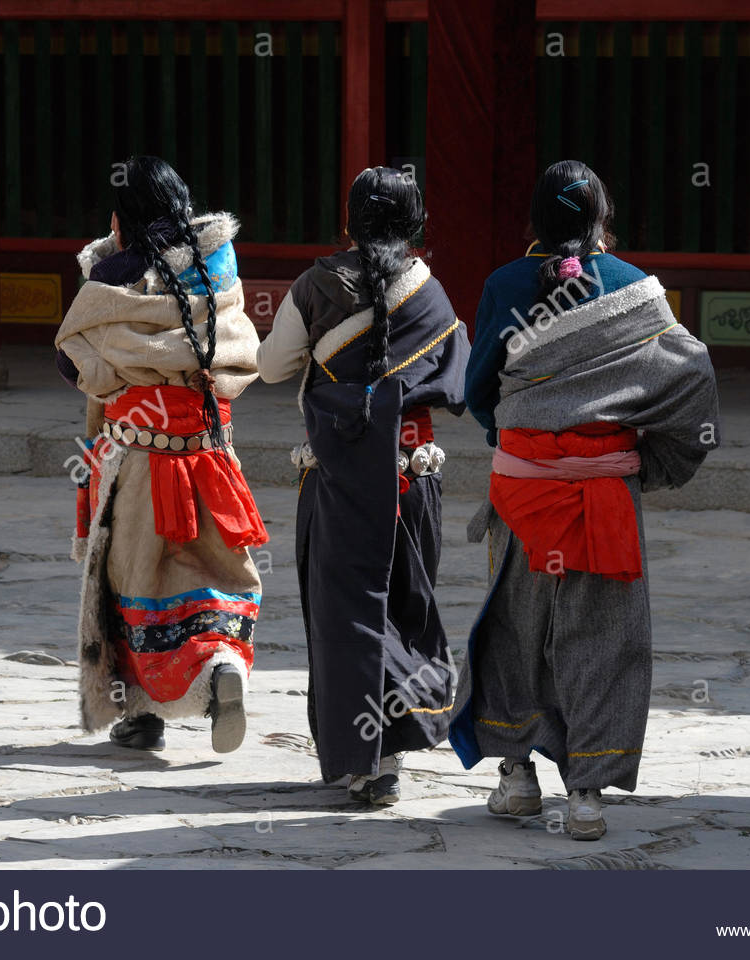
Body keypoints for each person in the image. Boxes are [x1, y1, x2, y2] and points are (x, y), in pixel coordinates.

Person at [449, 160, 720, 839]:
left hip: (521, 496)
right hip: (605, 494)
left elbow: (480, 390)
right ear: (603, 220)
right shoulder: (638, 291)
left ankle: (515, 780)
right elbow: (693, 378)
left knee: (516, 631)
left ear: (534, 219)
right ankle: (588, 795)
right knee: (602, 636)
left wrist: (519, 434)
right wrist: (646, 462)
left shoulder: (503, 284)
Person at [256, 167, 469, 804]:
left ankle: (362, 761)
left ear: (347, 223)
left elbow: (270, 368)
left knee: (346, 618)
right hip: (414, 478)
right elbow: (461, 384)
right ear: (416, 225)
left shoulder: (314, 286)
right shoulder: (433, 296)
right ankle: (401, 743)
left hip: (339, 479)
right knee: (406, 605)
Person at [55, 156, 268, 754]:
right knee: (216, 575)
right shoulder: (220, 270)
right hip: (213, 459)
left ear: (121, 221)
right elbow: (242, 360)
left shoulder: (109, 283)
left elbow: (76, 365)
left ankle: (138, 715)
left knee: (133, 584)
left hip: (139, 462)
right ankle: (221, 663)